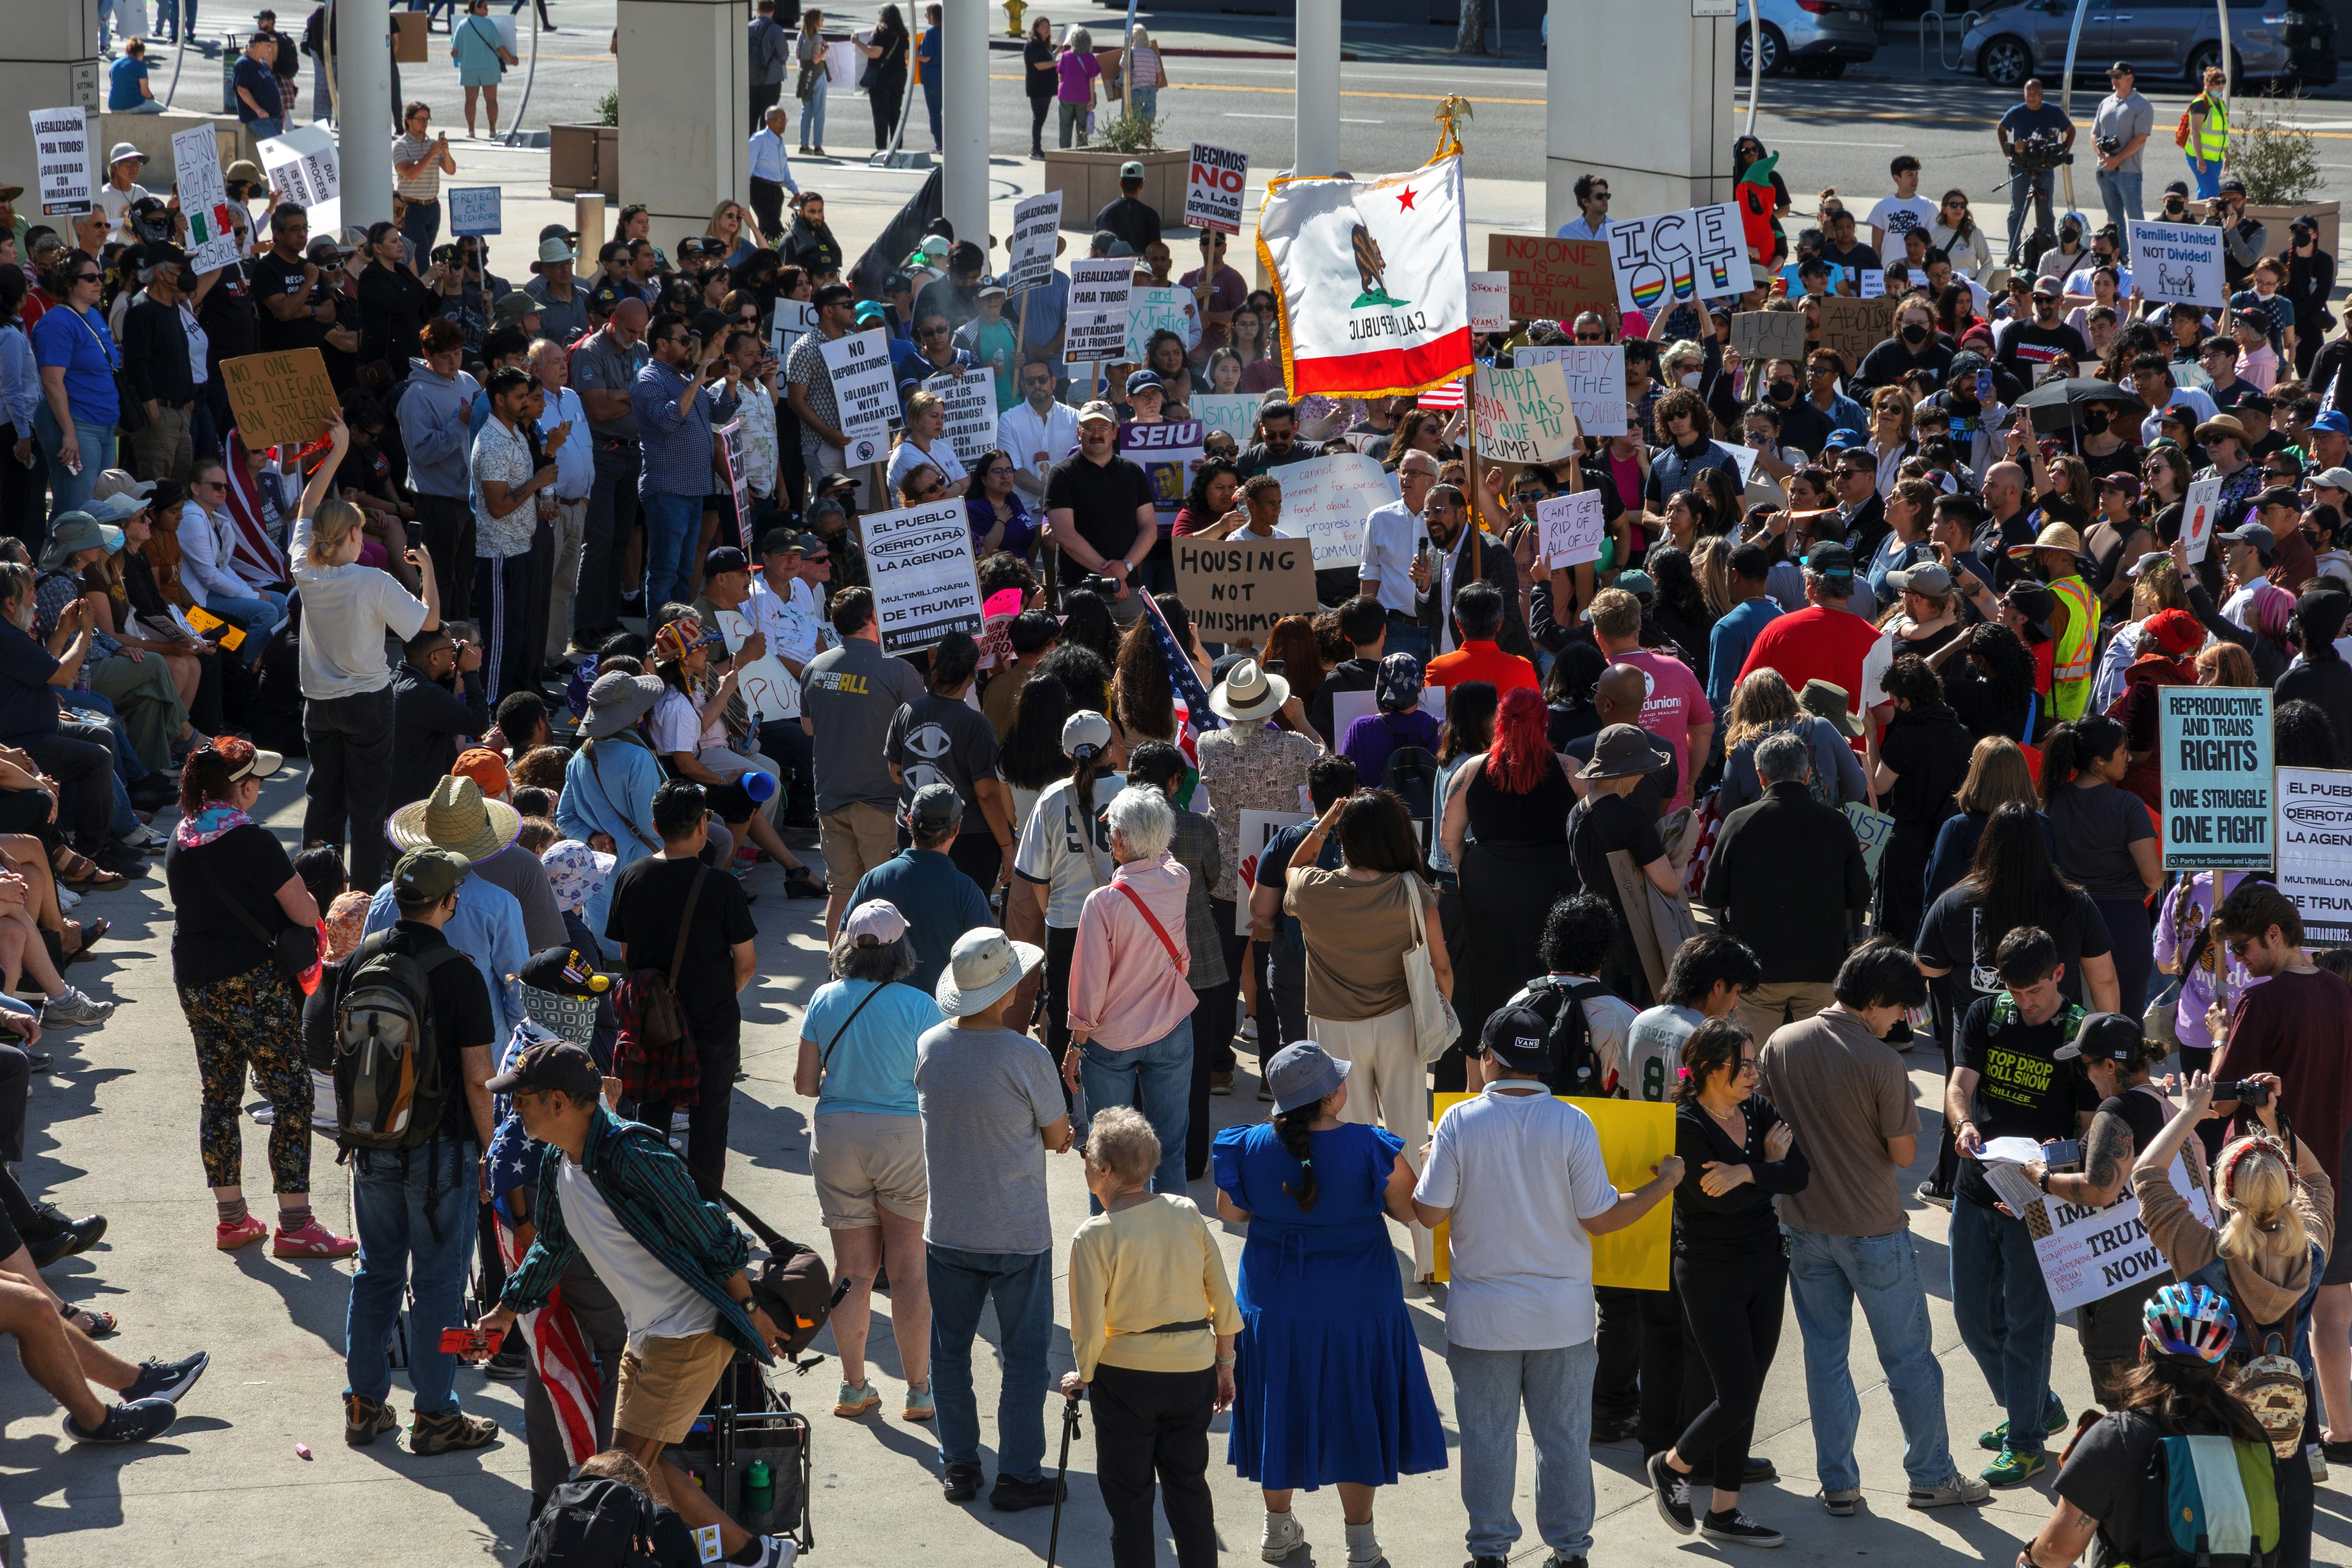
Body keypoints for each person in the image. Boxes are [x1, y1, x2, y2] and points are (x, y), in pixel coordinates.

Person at [462, 1039, 802, 1568]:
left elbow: (712, 1232)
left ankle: (666, 1556)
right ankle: (752, 1554)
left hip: (690, 1331)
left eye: (523, 1098)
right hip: (646, 1333)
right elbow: (553, 1244)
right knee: (641, 1468)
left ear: (558, 1102)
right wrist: (506, 1312)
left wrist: (751, 1308)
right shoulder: (557, 1161)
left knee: (617, 1469)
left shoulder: (631, 1154)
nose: (514, 1108)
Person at [1412, 1004, 1683, 1568]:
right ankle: (1570, 1552)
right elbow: (1602, 1217)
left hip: (1482, 1320)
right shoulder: (1572, 1123)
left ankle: (1488, 1553)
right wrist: (1663, 1186)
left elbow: (1429, 1214)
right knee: (1562, 1440)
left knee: (1487, 1442)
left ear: (1489, 1058)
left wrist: (1427, 1159)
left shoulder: (1460, 1121)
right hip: (1562, 1320)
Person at [1758, 938, 1990, 1512]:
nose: (1898, 1024)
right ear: (1876, 999)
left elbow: (1763, 1120)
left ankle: (1838, 1483)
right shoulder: (1882, 1064)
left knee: (1825, 1357)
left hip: (1804, 1224)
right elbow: (1905, 1151)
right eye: (1898, 1011)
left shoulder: (1781, 1043)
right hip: (1874, 1231)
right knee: (1909, 1359)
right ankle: (1933, 1475)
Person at [1213, 1042, 1445, 1567]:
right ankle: (1361, 1544)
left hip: (1274, 1302)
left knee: (1279, 1407)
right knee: (1355, 1410)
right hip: (1358, 1304)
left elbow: (1233, 1212)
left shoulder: (1246, 1145)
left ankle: (1278, 1531)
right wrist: (1431, 1164)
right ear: (1333, 1096)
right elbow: (1413, 1211)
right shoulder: (1371, 1147)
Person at [330, 848, 502, 1456]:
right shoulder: (458, 972)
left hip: (373, 1142)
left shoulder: (364, 957)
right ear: (449, 902)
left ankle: (364, 1405)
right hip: (440, 1153)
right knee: (437, 1284)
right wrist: (492, 1153)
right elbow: (479, 1078)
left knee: (375, 1273)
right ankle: (435, 1415)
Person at [168, 736, 356, 1258]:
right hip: (251, 983)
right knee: (292, 1096)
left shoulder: (182, 836)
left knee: (220, 1097)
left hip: (196, 981)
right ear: (245, 787)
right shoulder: (253, 841)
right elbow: (303, 912)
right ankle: (296, 1224)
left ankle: (232, 1220)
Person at [2130, 1073, 2329, 1562]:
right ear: (2286, 1190)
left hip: (2219, 1407)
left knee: (2222, 1532)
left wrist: (2191, 1111)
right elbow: (2319, 1180)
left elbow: (2146, 1175)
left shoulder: (2197, 1251)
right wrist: (2274, 1124)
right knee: (2290, 1515)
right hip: (2288, 1409)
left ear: (2222, 1194)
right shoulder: (2314, 1250)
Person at [919, 926, 1075, 1511]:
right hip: (1018, 1233)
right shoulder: (1027, 1056)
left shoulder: (931, 1045)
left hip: (949, 1229)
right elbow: (1059, 1136)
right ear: (1008, 992)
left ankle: (960, 1465)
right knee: (1025, 1357)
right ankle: (1018, 1474)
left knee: (950, 1353)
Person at [1643, 1017, 1807, 1548]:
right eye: (1745, 1066)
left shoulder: (1757, 1110)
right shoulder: (1684, 1124)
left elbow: (1801, 1173)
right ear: (1711, 1069)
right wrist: (1765, 1169)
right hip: (1710, 1270)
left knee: (1749, 1394)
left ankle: (1725, 1512)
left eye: (1755, 1064)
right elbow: (1720, 1201)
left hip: (1765, 1262)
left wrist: (1748, 1172)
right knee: (1734, 1394)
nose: (1754, 1076)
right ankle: (1673, 1466)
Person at [1948, 926, 2102, 1487]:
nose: (2026, 1002)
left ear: (2059, 974)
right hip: (1977, 1187)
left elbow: (2090, 1132)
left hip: (2036, 1203)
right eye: (2016, 991)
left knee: (2028, 1324)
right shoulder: (1987, 1016)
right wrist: (1963, 1123)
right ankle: (2034, 1405)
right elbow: (1959, 1084)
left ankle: (2026, 1441)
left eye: (2035, 990)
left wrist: (2048, 1177)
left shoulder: (2078, 1032)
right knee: (1972, 1317)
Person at [2206, 879, 2352, 1459]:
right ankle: (2340, 1435)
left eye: (2242, 948)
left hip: (2264, 1180)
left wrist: (2221, 1038)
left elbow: (2219, 1099)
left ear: (2275, 934)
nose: (2238, 962)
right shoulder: (2343, 993)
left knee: (2265, 1320)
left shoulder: (2260, 1003)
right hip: (2334, 1171)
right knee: (2333, 1315)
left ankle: (2278, 1441)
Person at [1281, 788, 1449, 1282]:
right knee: (1412, 1134)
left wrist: (1323, 824)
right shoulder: (1411, 890)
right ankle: (1428, 1259)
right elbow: (1441, 967)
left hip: (1335, 1028)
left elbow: (1291, 866)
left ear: (1345, 839)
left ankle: (1356, 1249)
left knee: (1344, 1142)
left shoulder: (1312, 889)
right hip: (1400, 1022)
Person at [1060, 1104, 1239, 1568]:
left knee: (1131, 1503)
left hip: (1127, 1380)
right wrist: (1225, 1364)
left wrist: (1083, 1375)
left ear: (1103, 1170)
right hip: (1192, 1371)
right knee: (1189, 1491)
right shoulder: (1185, 1213)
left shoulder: (1093, 1237)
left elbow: (1088, 1326)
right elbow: (1222, 1297)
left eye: (1085, 1155)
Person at [2023, 1280, 2291, 1568]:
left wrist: (2028, 1559)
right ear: (2220, 1367)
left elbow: (2055, 1552)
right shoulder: (2251, 1433)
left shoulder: (2115, 1438)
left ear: (2143, 1350)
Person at [791, 899, 938, 1425]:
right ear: (901, 948)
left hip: (837, 1138)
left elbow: (806, 1085)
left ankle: (854, 1386)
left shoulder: (824, 999)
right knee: (908, 1271)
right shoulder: (922, 1006)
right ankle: (919, 1391)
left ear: (849, 947)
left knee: (851, 1270)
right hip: (902, 1139)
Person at [292, 413, 438, 891]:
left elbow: (306, 507)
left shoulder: (305, 570)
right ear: (354, 536)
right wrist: (428, 572)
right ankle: (365, 895)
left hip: (320, 705)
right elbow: (429, 624)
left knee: (323, 800)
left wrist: (335, 453)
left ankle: (319, 890)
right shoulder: (373, 581)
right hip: (369, 704)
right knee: (370, 807)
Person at [604, 781, 758, 1189]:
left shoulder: (631, 877)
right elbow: (746, 963)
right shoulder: (724, 888)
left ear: (655, 825)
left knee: (650, 1120)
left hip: (650, 1026)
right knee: (710, 1124)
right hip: (713, 1024)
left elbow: (626, 953)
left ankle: (655, 1205)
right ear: (704, 827)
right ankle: (706, 1217)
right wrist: (720, 994)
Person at [1064, 784, 1195, 1204]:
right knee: (1170, 1148)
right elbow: (1165, 855)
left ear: (1119, 840)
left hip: (1110, 1042)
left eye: (1112, 833)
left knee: (1105, 1157)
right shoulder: (1178, 880)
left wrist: (1074, 1045)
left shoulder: (1101, 904)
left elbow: (1089, 987)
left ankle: (1108, 1241)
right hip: (1172, 1029)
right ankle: (1170, 1241)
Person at [1702, 732, 1871, 1045]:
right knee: (1815, 1066)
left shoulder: (1739, 822)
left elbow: (1711, 894)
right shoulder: (1836, 823)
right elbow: (1861, 895)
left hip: (1756, 970)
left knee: (1753, 1066)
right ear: (1808, 774)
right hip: (1822, 968)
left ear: (1760, 776)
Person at [1442, 684, 1576, 1042]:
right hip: (1553, 886)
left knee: (1489, 974)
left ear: (1498, 723)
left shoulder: (1472, 770)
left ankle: (1491, 1048)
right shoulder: (1571, 770)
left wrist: (1465, 872)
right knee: (1547, 969)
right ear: (1544, 722)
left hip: (1487, 887)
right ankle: (1547, 1043)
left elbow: (1448, 839)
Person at [802, 586, 925, 942]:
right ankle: (884, 973)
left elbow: (808, 727)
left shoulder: (815, 667)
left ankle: (836, 969)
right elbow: (923, 730)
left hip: (831, 798)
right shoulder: (899, 670)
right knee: (886, 896)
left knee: (841, 892)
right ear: (872, 618)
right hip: (881, 802)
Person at [2038, 715, 2161, 1017]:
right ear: (2099, 761)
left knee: (2068, 1023)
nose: (2130, 758)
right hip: (2123, 923)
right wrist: (2138, 889)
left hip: (2065, 922)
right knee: (2125, 1024)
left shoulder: (2051, 801)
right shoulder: (2127, 805)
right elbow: (2154, 877)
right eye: (2123, 752)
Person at [632, 310, 737, 614]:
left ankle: (678, 637)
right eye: (683, 340)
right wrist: (696, 384)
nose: (691, 345)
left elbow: (718, 415)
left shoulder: (686, 377)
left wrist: (729, 385)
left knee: (684, 570)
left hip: (694, 489)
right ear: (663, 344)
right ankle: (659, 641)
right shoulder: (649, 378)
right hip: (668, 490)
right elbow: (667, 421)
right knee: (665, 571)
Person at [849, 783, 988, 1001]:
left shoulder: (872, 880)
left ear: (909, 821)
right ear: (957, 830)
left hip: (878, 1017)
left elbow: (841, 955)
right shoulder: (967, 891)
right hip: (941, 1019)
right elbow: (985, 965)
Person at [554, 670, 665, 937]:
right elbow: (651, 827)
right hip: (644, 873)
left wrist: (594, 837)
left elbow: (565, 818)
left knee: (610, 948)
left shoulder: (579, 758)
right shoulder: (638, 758)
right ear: (635, 714)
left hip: (600, 875)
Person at [31, 250, 121, 524]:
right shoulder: (56, 323)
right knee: (75, 516)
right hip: (79, 427)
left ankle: (85, 569)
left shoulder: (93, 316)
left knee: (99, 513)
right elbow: (52, 382)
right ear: (70, 284)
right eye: (91, 278)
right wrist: (69, 434)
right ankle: (56, 568)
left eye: (101, 276)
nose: (99, 282)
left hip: (105, 427)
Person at [1997, 78, 2073, 266]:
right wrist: (2008, 153)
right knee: (2017, 211)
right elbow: (2001, 128)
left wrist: (2063, 151)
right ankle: (2012, 252)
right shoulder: (2017, 112)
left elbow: (2071, 131)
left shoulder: (2053, 112)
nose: (2032, 98)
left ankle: (2050, 253)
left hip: (2045, 168)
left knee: (2047, 210)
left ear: (2042, 95)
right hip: (2021, 168)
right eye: (2029, 94)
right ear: (2025, 94)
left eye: (2036, 95)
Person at [2091, 61, 2152, 234]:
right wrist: (2102, 155)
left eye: (2118, 76)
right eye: (2112, 76)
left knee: (2135, 217)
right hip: (2104, 170)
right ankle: (2120, 255)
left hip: (2129, 172)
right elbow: (2093, 134)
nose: (2114, 80)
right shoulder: (2105, 103)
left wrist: (2117, 159)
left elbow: (2140, 138)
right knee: (2114, 219)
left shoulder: (2142, 104)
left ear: (2130, 78)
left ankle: (2143, 255)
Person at [450, 0, 518, 139]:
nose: (487, 10)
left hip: (468, 68)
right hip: (489, 67)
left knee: (470, 100)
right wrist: (512, 59)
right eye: (485, 8)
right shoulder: (489, 25)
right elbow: (500, 47)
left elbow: (455, 52)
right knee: (492, 100)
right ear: (477, 8)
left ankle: (471, 131)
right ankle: (492, 130)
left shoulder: (462, 25)